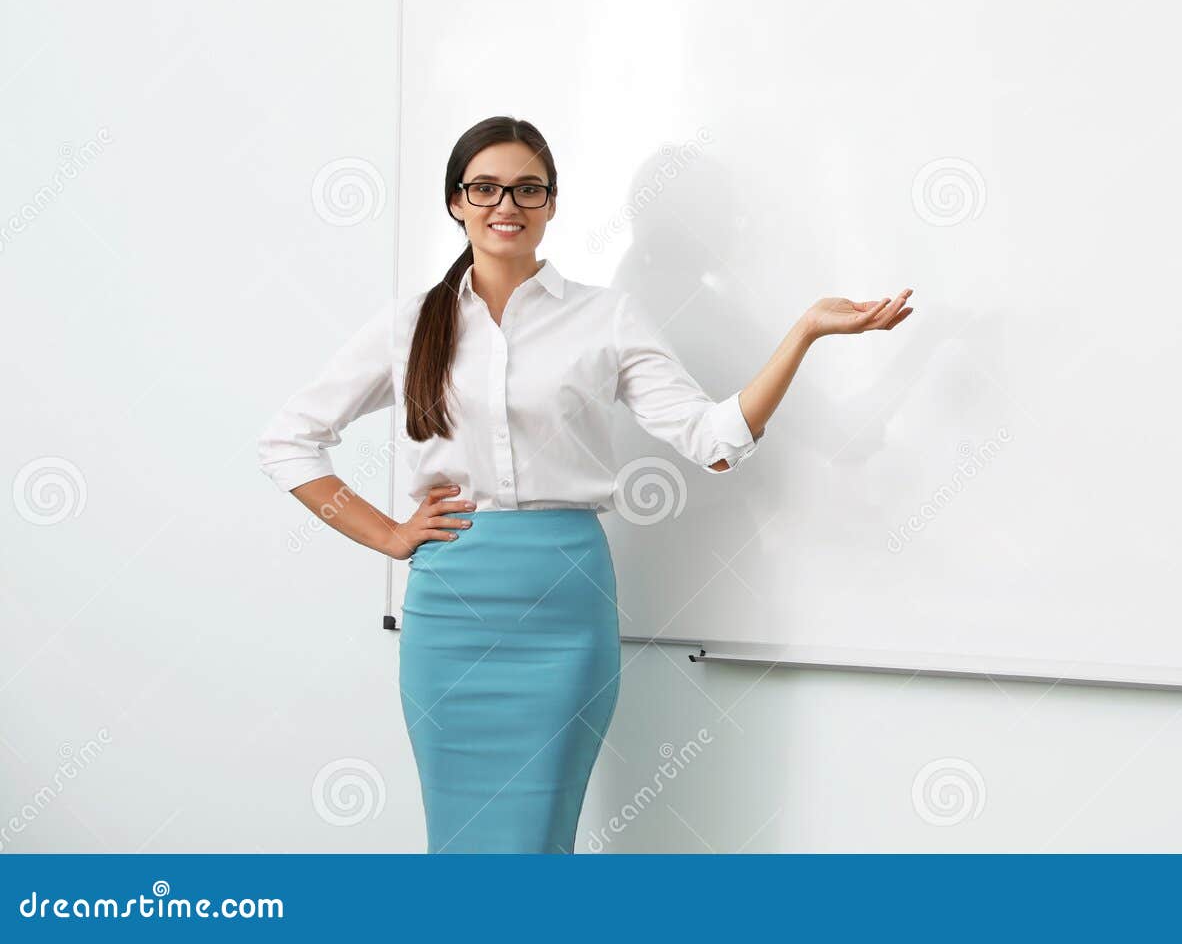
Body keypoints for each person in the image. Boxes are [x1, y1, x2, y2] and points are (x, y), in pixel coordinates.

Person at [257, 114, 913, 852]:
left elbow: (715, 442)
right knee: (459, 843)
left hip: (563, 611)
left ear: (552, 203)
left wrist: (804, 333)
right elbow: (288, 440)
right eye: (485, 188)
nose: (507, 204)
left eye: (527, 189)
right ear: (456, 201)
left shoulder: (605, 317)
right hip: (449, 615)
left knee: (539, 841)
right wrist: (386, 533)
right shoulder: (410, 324)